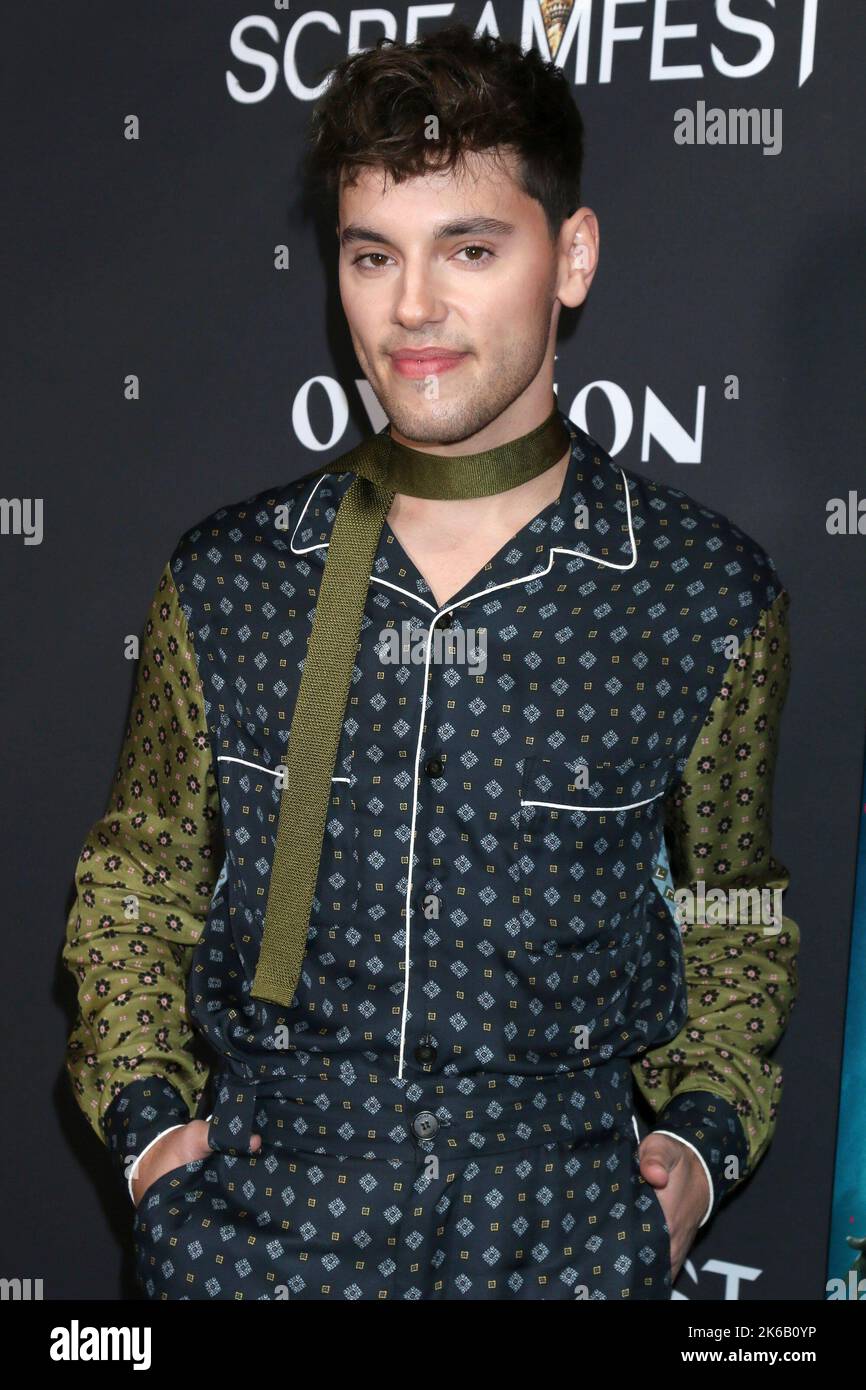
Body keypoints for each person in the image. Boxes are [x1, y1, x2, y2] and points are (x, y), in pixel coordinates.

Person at [63, 24, 799, 1301]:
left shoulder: (700, 594)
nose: (411, 307)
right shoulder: (232, 578)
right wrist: (149, 1143)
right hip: (255, 1240)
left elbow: (732, 908)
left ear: (569, 257)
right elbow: (138, 884)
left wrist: (697, 1139)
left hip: (562, 1248)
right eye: (372, 255)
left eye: (468, 248)